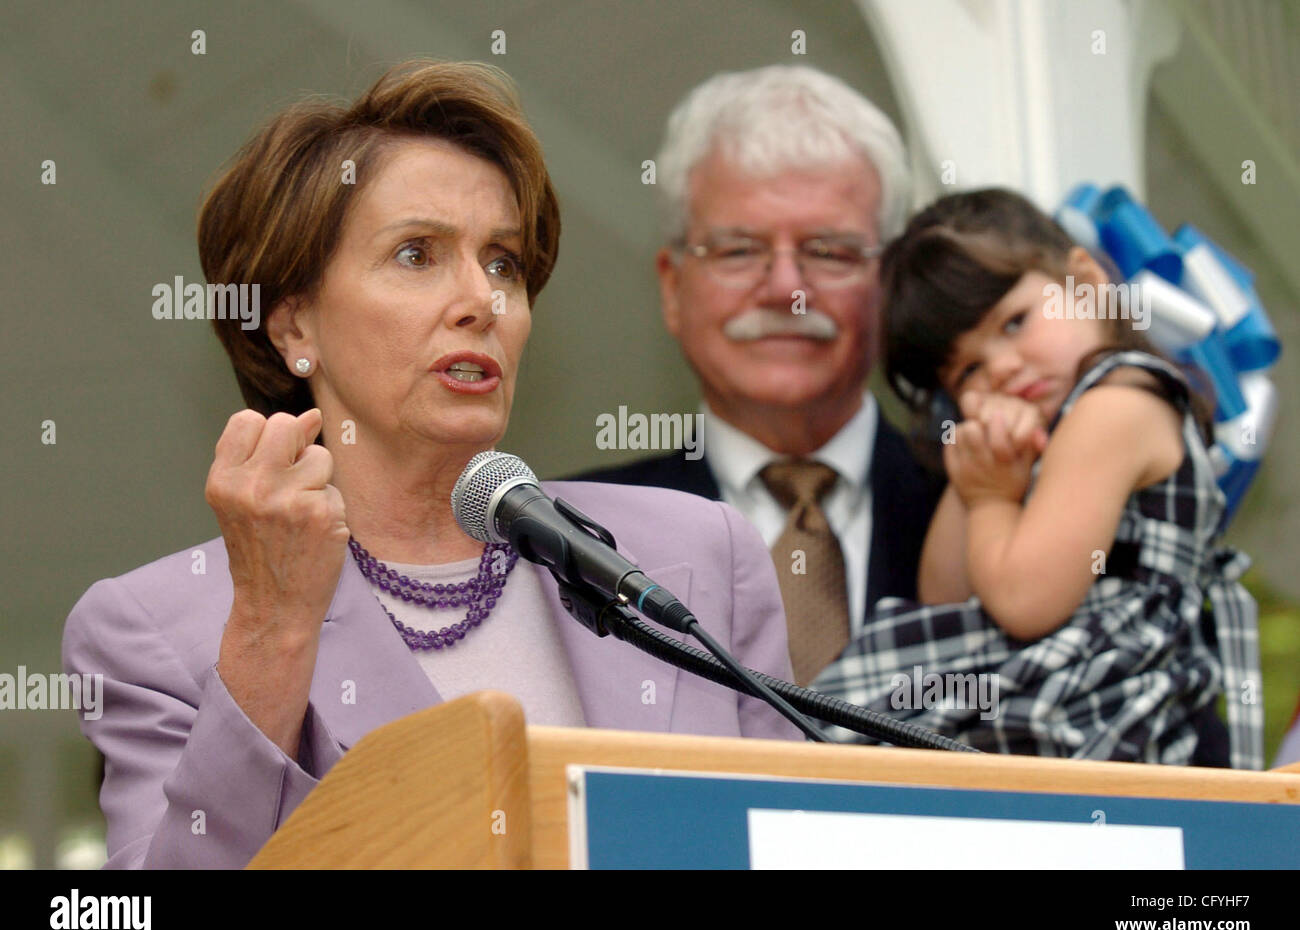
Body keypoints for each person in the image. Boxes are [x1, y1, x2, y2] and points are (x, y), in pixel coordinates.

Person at [62, 60, 801, 870]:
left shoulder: (700, 555)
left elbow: (790, 837)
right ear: (292, 325)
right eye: (417, 254)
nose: (480, 301)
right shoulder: (159, 632)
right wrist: (273, 632)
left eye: (503, 263)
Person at [814, 188, 1263, 768]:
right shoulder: (1046, 435)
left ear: (1086, 281)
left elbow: (1025, 601)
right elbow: (944, 604)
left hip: (1106, 711)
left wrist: (995, 497)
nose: (1000, 368)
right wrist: (976, 481)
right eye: (968, 370)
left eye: (1015, 322)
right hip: (1054, 706)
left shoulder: (1115, 405)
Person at [574, 66, 944, 688]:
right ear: (672, 286)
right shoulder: (576, 536)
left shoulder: (991, 517)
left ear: (889, 284)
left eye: (829, 251)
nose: (785, 289)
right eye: (738, 249)